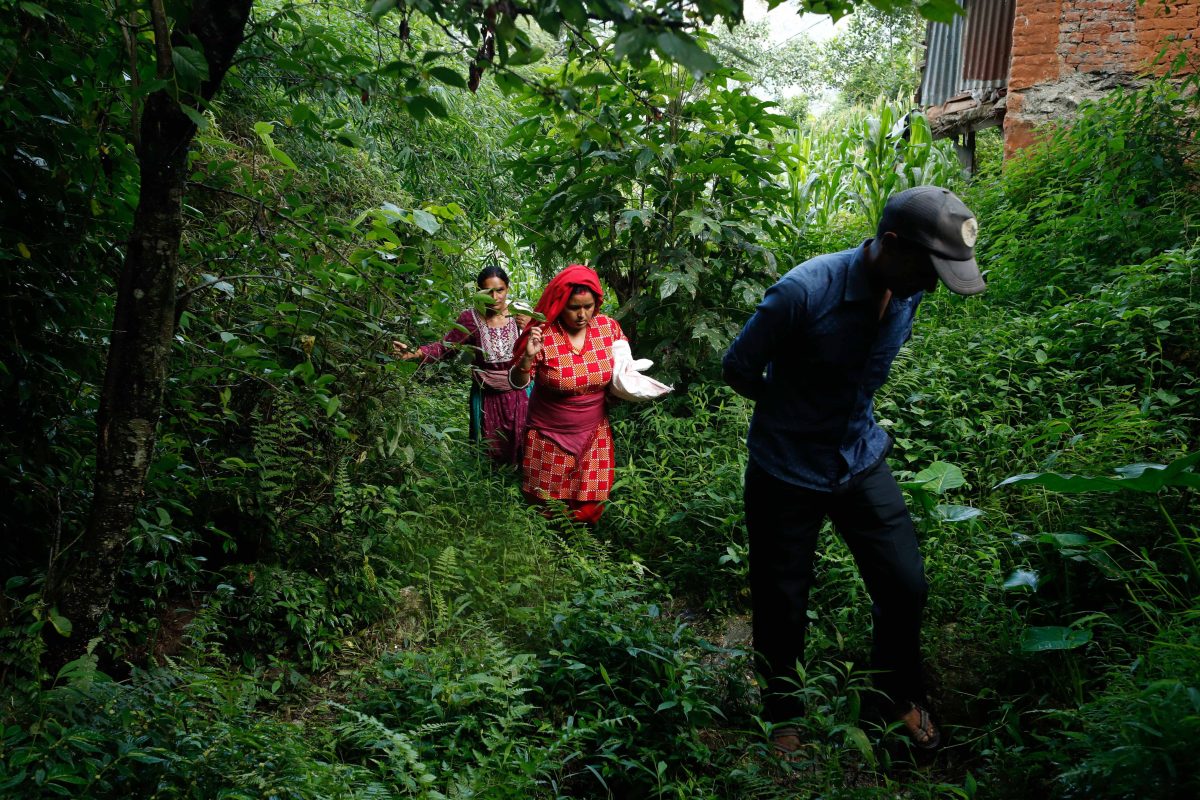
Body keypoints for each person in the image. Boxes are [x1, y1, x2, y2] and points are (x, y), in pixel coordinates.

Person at [722, 186, 986, 756]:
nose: (935, 283)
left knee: (904, 583)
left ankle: (893, 698)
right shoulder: (801, 293)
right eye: (931, 267)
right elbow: (738, 366)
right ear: (891, 245)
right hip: (784, 469)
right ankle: (782, 710)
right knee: (781, 597)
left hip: (858, 456)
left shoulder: (910, 287)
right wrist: (791, 411)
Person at [508, 265, 625, 526]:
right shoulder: (544, 335)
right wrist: (527, 358)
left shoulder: (608, 329)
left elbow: (623, 369)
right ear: (560, 303)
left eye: (589, 306)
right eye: (574, 307)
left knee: (588, 505)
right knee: (548, 506)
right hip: (549, 436)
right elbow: (517, 383)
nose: (582, 314)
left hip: (595, 434)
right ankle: (548, 557)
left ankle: (582, 549)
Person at [393, 265, 529, 466]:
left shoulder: (521, 314)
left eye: (500, 290)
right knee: (489, 454)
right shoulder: (470, 319)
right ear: (478, 292)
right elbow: (446, 348)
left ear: (507, 288)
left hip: (520, 393)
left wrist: (528, 328)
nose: (495, 296)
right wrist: (414, 352)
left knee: (524, 450)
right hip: (486, 397)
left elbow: (544, 349)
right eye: (487, 291)